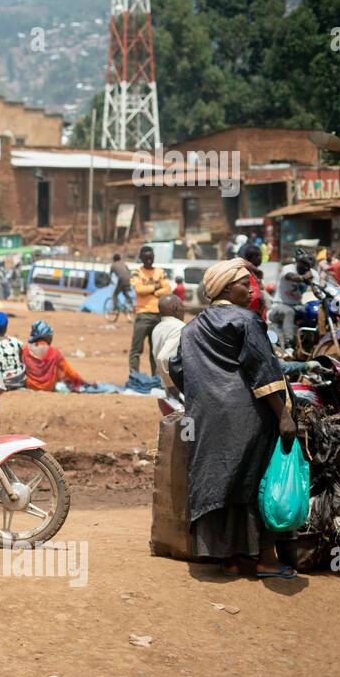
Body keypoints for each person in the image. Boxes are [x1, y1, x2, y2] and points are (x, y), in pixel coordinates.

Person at [171, 257, 297, 579]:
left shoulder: (191, 329)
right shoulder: (246, 320)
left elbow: (177, 370)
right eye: (245, 283)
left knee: (220, 483)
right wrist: (283, 414)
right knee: (254, 482)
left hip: (206, 418)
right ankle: (266, 560)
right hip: (247, 416)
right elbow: (263, 371)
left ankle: (227, 559)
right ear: (228, 288)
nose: (250, 288)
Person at [128, 245, 172, 375]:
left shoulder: (160, 271)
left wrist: (150, 290)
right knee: (136, 350)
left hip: (158, 315)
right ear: (141, 258)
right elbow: (139, 290)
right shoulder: (136, 272)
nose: (149, 260)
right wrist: (156, 288)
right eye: (146, 258)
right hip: (142, 315)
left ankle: (156, 379)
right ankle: (134, 376)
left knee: (156, 351)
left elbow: (168, 290)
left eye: (151, 257)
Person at [22, 320, 89, 392]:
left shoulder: (25, 350)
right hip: (47, 387)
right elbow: (69, 372)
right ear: (47, 336)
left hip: (30, 386)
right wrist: (85, 382)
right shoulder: (54, 352)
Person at [269, 249, 314, 350]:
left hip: (297, 306)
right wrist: (303, 278)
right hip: (279, 305)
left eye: (308, 264)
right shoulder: (288, 269)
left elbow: (317, 287)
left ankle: (309, 341)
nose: (306, 266)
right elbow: (291, 277)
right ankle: (288, 344)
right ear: (297, 262)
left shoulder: (310, 274)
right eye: (303, 263)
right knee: (289, 312)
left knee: (312, 311)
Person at [150, 294, 186, 395]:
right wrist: (171, 386)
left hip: (166, 385)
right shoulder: (180, 328)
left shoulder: (158, 328)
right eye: (182, 305)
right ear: (176, 308)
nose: (184, 309)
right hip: (178, 387)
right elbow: (163, 358)